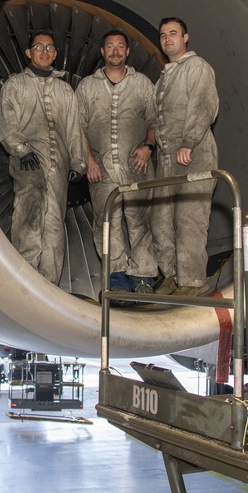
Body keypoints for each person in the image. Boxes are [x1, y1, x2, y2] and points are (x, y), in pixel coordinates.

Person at [0, 30, 88, 283]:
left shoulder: (65, 90)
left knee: (54, 224)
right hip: (28, 160)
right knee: (29, 214)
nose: (45, 51)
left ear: (55, 54)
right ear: (29, 52)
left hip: (58, 165)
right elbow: (8, 123)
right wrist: (21, 150)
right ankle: (25, 279)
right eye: (39, 47)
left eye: (50, 48)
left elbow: (73, 128)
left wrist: (78, 162)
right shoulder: (15, 85)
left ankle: (49, 284)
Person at [76, 30, 157, 294]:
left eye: (120, 47)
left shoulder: (143, 83)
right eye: (109, 46)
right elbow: (78, 127)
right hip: (102, 167)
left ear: (127, 52)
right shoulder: (87, 86)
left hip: (137, 166)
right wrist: (89, 161)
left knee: (139, 220)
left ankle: (143, 274)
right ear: (102, 52)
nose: (115, 51)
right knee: (107, 221)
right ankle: (117, 275)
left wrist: (148, 146)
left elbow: (156, 121)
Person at [151, 17, 219, 295]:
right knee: (162, 221)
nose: (168, 39)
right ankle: (173, 274)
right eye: (164, 35)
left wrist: (189, 143)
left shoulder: (197, 67)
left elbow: (204, 106)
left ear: (185, 38)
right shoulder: (165, 77)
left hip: (194, 155)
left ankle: (191, 280)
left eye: (173, 34)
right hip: (167, 160)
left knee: (189, 219)